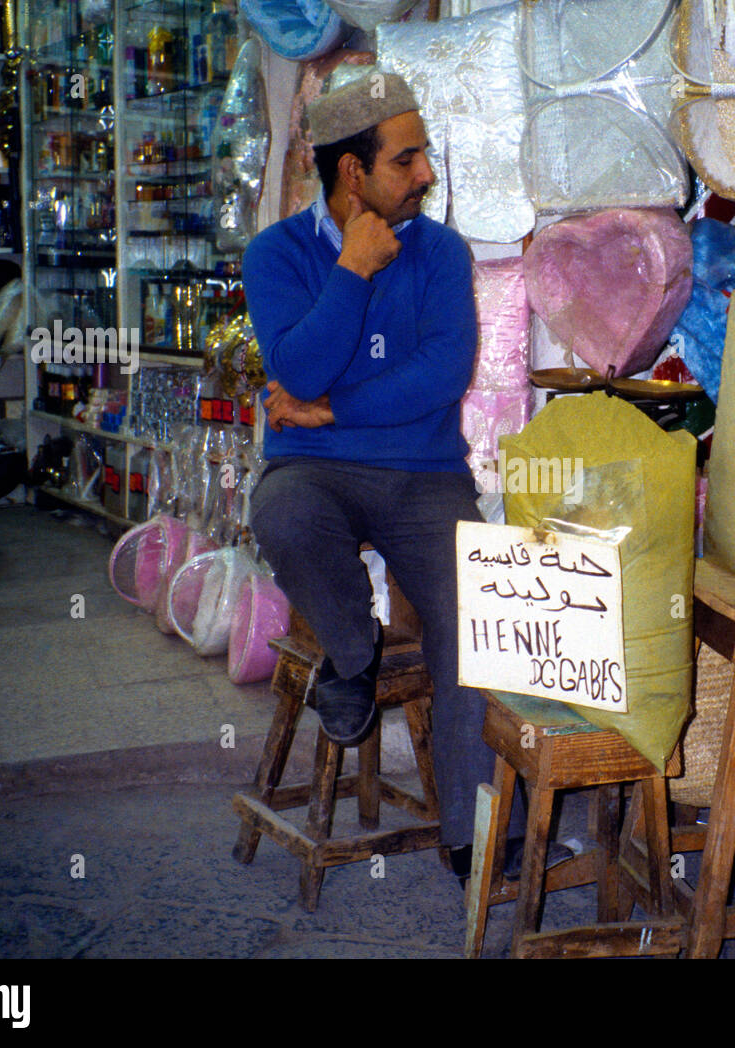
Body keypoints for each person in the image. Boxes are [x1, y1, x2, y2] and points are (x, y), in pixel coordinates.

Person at [241, 72, 491, 879]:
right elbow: (297, 367)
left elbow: (441, 374)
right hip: (311, 472)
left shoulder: (443, 252)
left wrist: (333, 411)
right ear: (353, 173)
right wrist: (350, 270)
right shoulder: (277, 255)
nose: (425, 175)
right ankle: (352, 656)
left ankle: (474, 833)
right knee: (279, 513)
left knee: (473, 611)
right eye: (407, 158)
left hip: (424, 473)